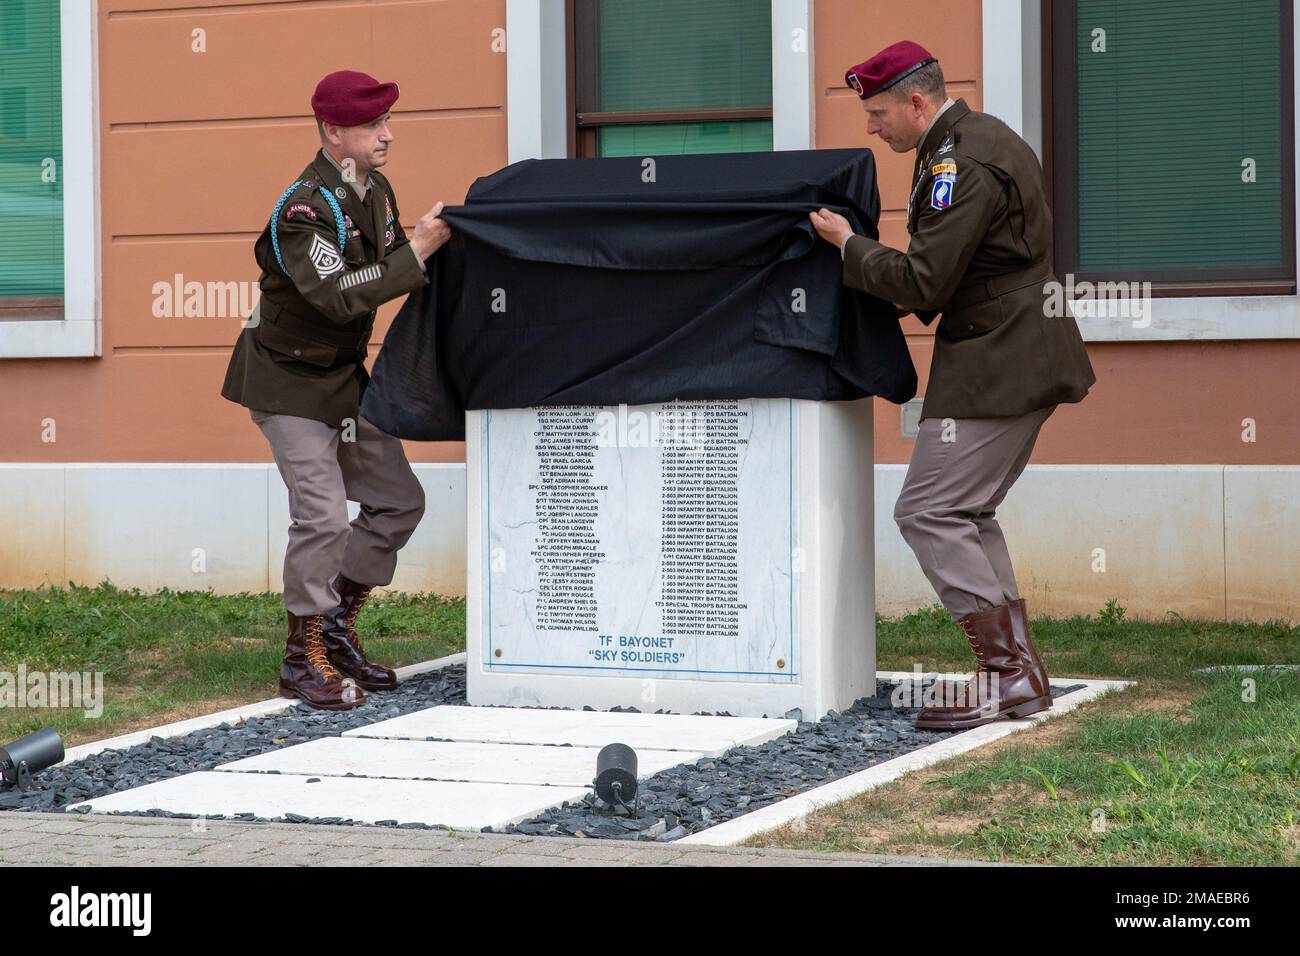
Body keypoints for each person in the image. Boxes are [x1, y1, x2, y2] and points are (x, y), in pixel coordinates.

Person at [808, 41, 1096, 730]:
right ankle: (1016, 676)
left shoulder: (958, 162)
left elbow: (922, 285)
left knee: (928, 511)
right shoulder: (973, 140)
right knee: (966, 513)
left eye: (878, 114)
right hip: (1010, 356)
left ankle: (1006, 675)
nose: (872, 129)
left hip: (1001, 364)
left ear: (917, 101)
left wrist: (847, 245)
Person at [222, 70, 453, 710]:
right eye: (372, 126)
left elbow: (386, 266)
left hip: (343, 381)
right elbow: (340, 294)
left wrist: (445, 246)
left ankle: (335, 630)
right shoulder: (303, 209)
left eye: (386, 122)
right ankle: (303, 659)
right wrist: (421, 251)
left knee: (398, 500)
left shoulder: (373, 191)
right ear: (333, 132)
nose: (387, 135)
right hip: (288, 382)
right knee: (321, 514)